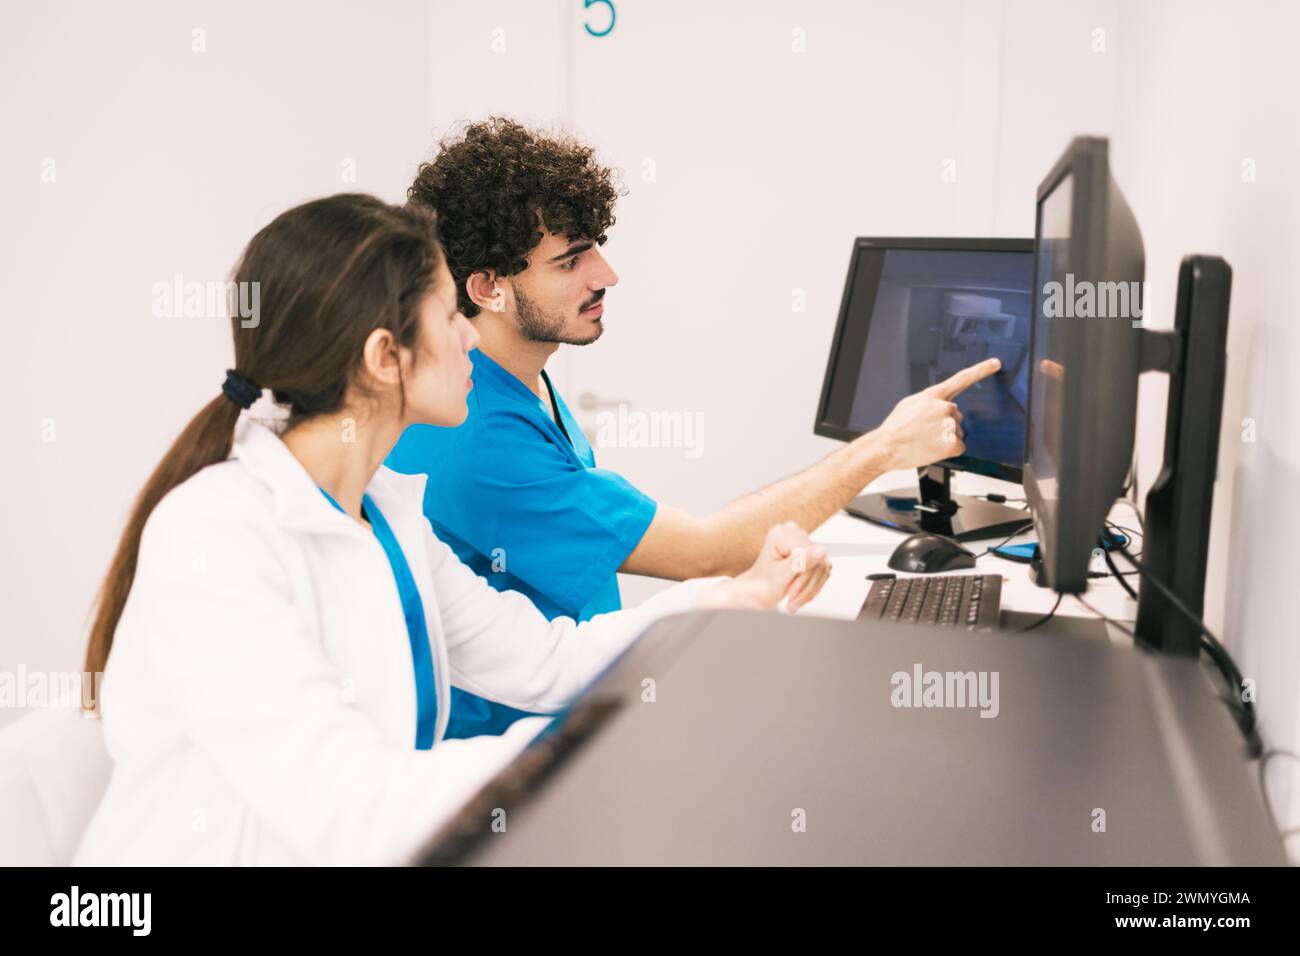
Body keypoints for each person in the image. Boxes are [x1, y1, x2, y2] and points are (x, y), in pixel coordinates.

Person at [73, 194, 830, 866]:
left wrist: (730, 598)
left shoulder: (388, 515)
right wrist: (611, 745)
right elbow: (357, 812)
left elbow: (546, 662)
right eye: (449, 317)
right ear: (382, 358)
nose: (471, 340)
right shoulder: (215, 538)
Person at [387, 117, 999, 737]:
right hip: (519, 746)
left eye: (594, 245)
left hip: (584, 687)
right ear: (488, 287)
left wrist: (740, 590)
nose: (606, 274)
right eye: (571, 261)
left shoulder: (520, 383)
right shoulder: (477, 431)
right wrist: (885, 447)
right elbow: (707, 551)